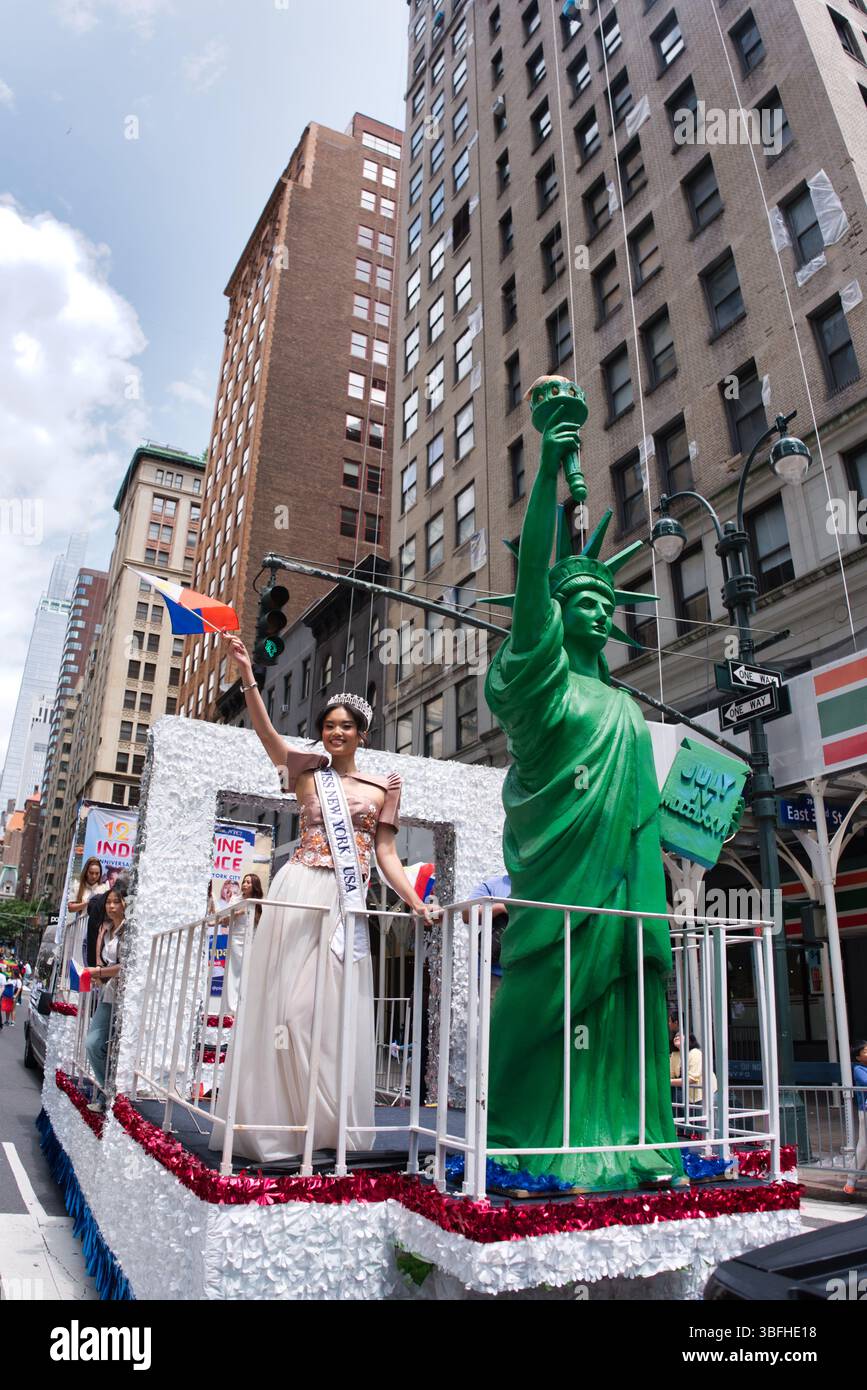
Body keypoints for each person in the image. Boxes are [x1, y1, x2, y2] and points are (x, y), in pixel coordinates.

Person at [482, 377, 684, 1191]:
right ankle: (527, 1136)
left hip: (626, 895)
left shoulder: (622, 703)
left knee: (624, 1012)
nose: (597, 611)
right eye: (581, 599)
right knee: (544, 1008)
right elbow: (533, 579)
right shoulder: (539, 687)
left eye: (607, 601)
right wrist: (548, 467)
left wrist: (653, 899)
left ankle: (628, 1138)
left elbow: (642, 810)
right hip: (559, 896)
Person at [209, 636, 438, 1165]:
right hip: (299, 889)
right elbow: (268, 737)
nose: (335, 732)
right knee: (283, 1006)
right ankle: (279, 1124)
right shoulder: (308, 773)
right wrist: (247, 676)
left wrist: (412, 903)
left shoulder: (384, 786)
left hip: (346, 900)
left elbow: (385, 852)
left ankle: (325, 1120)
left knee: (329, 1011)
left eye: (346, 726)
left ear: (361, 733)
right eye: (328, 726)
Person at [85, 886, 126, 1112]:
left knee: (115, 1050)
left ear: (125, 904)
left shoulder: (129, 930)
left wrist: (98, 973)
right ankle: (108, 1092)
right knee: (93, 1044)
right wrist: (97, 975)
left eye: (116, 902)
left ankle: (108, 1097)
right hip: (108, 994)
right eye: (108, 902)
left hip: (124, 998)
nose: (111, 906)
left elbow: (125, 966)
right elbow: (105, 962)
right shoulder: (107, 928)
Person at [463, 872, 511, 998]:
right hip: (494, 973)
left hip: (532, 970)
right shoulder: (494, 884)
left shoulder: (542, 882)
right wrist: (500, 908)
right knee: (494, 1017)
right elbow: (467, 914)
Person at [843, 1039, 867, 1195]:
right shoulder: (859, 1069)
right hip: (866, 1111)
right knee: (864, 1147)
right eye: (865, 1051)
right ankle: (850, 1181)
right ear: (858, 1057)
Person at [670, 1031, 716, 1108]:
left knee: (701, 1118)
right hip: (689, 1096)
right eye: (675, 1036)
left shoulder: (695, 1053)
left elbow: (692, 1079)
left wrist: (668, 1082)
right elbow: (671, 1074)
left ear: (690, 1040)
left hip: (703, 1094)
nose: (676, 1037)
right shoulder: (675, 1055)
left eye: (680, 1036)